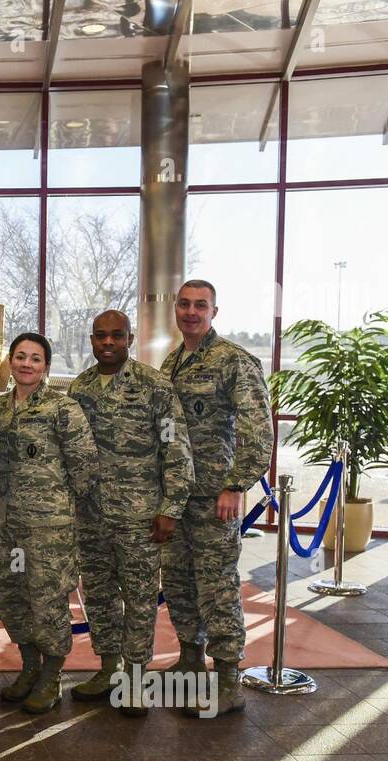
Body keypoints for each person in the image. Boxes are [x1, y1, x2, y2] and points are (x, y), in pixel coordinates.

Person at [68, 310, 193, 716]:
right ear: (91, 340)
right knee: (99, 594)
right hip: (91, 513)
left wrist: (171, 508)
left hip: (140, 514)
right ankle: (108, 668)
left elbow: (176, 448)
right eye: (101, 336)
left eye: (116, 336)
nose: (108, 343)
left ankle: (137, 677)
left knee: (139, 598)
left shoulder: (154, 386)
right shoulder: (80, 388)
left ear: (130, 339)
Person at [158, 280, 273, 717]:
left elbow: (258, 432)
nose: (191, 312)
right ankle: (190, 659)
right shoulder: (172, 362)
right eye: (184, 304)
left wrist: (236, 484)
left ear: (214, 311)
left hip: (212, 497)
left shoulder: (233, 362)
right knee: (180, 581)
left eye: (199, 305)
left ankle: (228, 679)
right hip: (175, 497)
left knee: (218, 584)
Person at [0, 333, 96, 714]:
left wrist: (62, 509)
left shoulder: (63, 409)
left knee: (47, 601)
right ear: (11, 363)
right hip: (6, 527)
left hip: (48, 529)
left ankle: (51, 676)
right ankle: (29, 667)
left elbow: (84, 467)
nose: (27, 364)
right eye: (20, 357)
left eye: (35, 358)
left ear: (46, 366)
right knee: (14, 596)